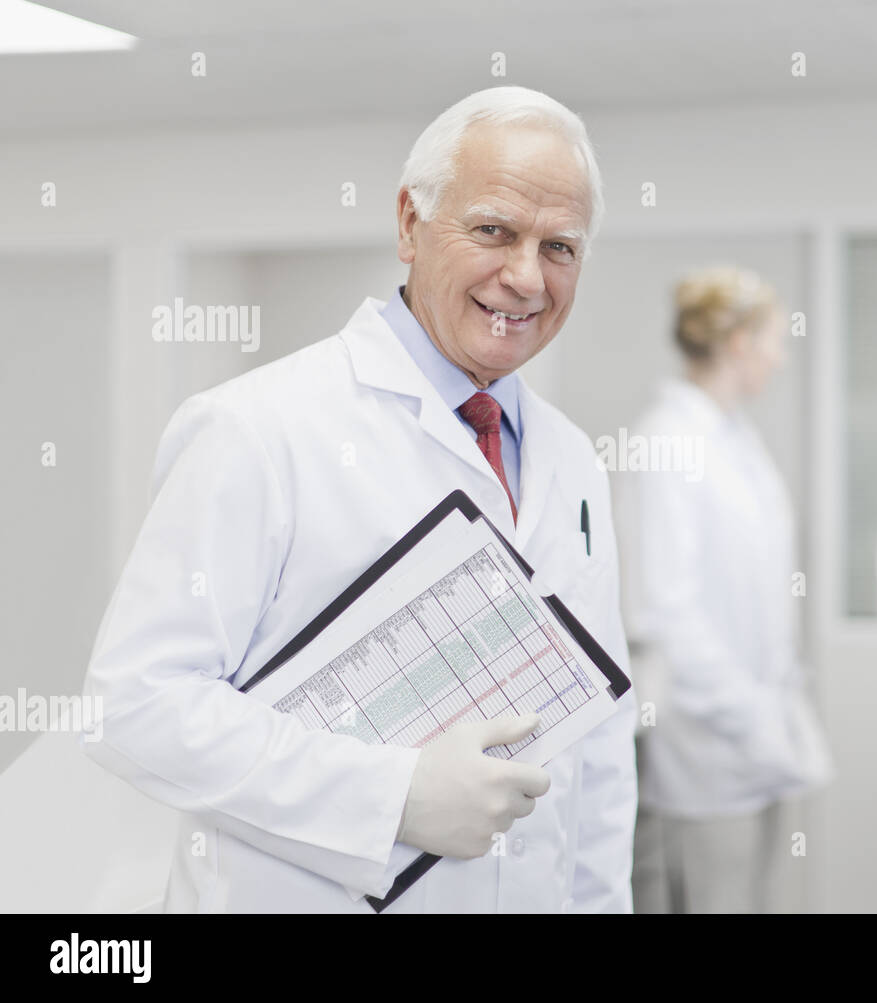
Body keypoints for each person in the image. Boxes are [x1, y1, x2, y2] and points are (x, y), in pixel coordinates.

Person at [78, 86, 638, 913]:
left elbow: (598, 752)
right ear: (410, 224)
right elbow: (134, 704)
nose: (525, 276)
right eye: (493, 230)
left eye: (560, 247)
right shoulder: (259, 429)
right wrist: (393, 794)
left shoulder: (572, 461)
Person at [615, 266, 832, 913]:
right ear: (739, 342)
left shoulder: (733, 439)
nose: (781, 355)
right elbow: (662, 610)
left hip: (754, 738)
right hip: (703, 740)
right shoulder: (663, 443)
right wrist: (750, 714)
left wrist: (772, 715)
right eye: (774, 337)